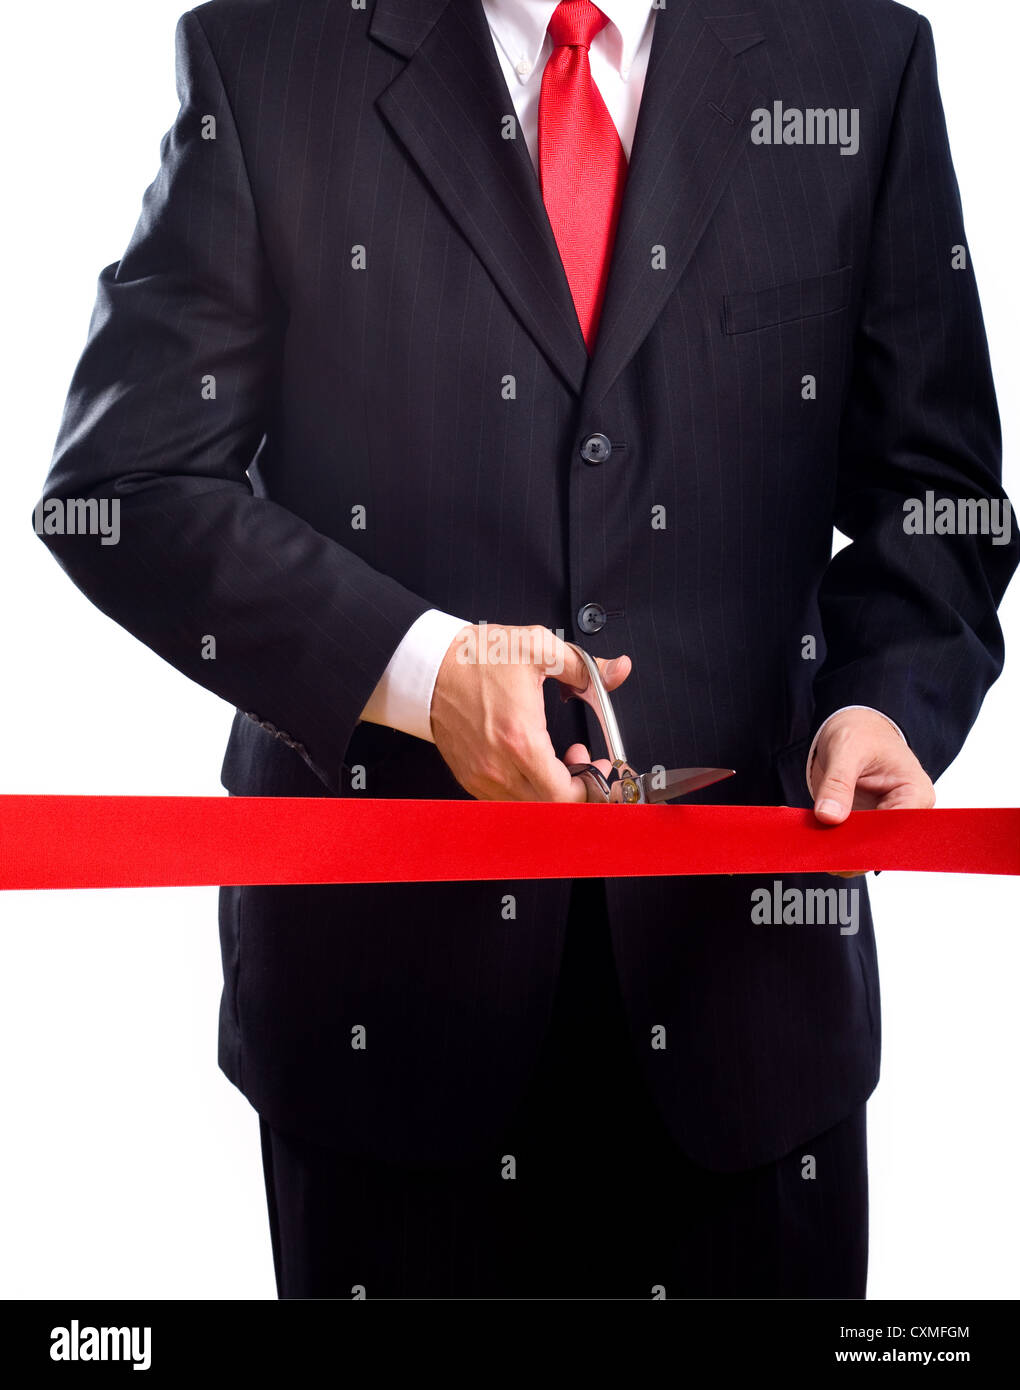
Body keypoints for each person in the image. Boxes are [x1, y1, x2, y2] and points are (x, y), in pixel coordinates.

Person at [36, 0, 1017, 1297]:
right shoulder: (266, 52)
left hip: (746, 1020)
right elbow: (126, 480)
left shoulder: (860, 58)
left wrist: (887, 701)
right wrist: (420, 668)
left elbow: (934, 492)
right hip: (382, 1029)